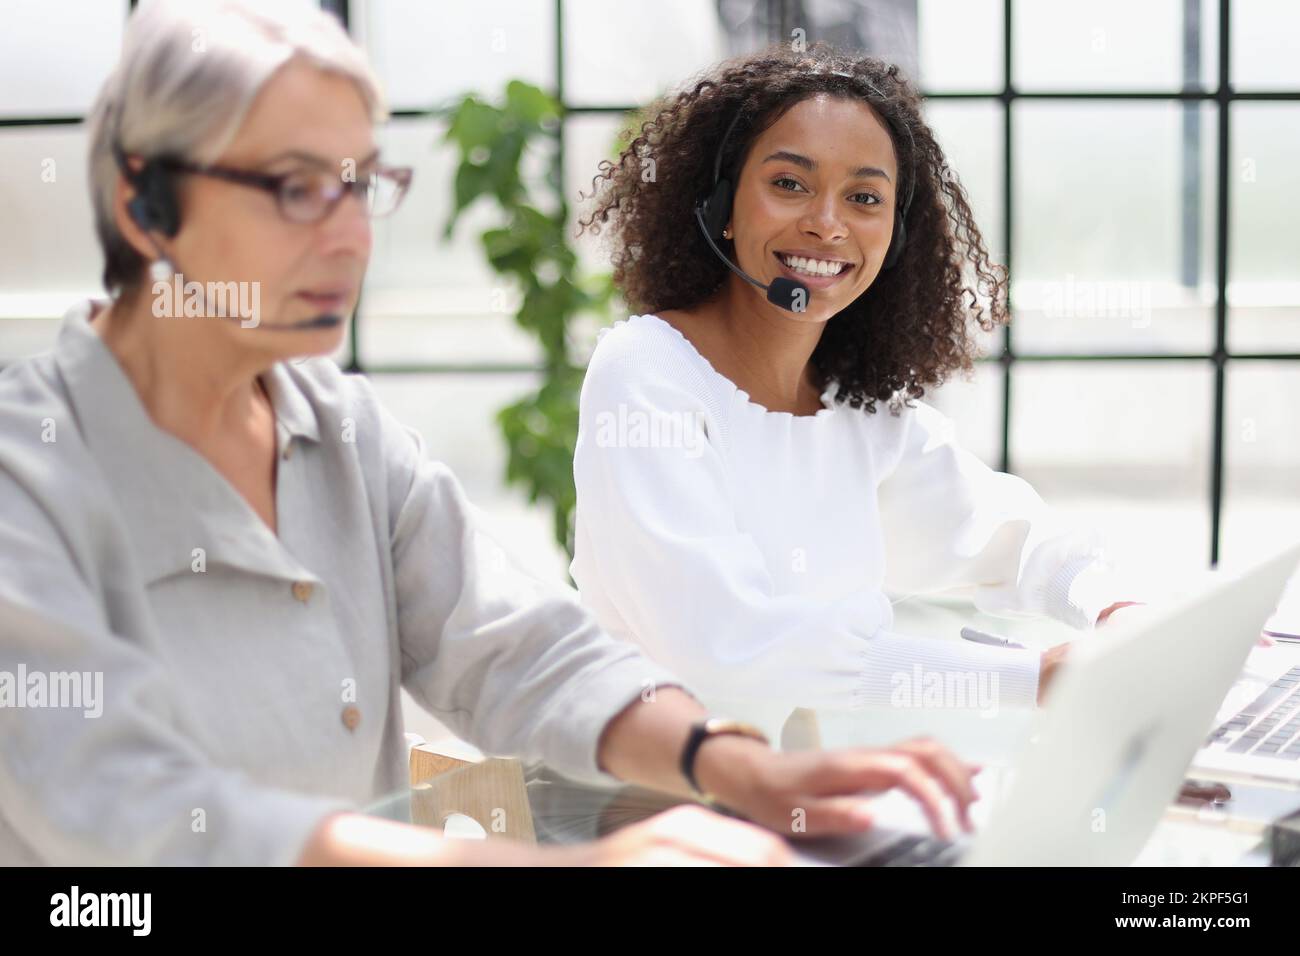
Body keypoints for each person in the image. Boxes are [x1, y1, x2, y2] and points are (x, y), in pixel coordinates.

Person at [0, 1, 980, 866]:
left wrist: (729, 761)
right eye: (296, 187)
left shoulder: (344, 431)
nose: (348, 236)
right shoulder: (27, 472)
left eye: (360, 185)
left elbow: (515, 644)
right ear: (144, 201)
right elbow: (129, 804)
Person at [571, 44, 1144, 735]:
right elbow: (731, 652)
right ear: (722, 204)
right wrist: (1029, 681)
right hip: (662, 814)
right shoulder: (646, 373)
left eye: (865, 198)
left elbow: (1010, 537)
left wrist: (1120, 612)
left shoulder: (853, 408)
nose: (829, 223)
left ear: (896, 235)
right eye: (789, 184)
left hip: (819, 799)